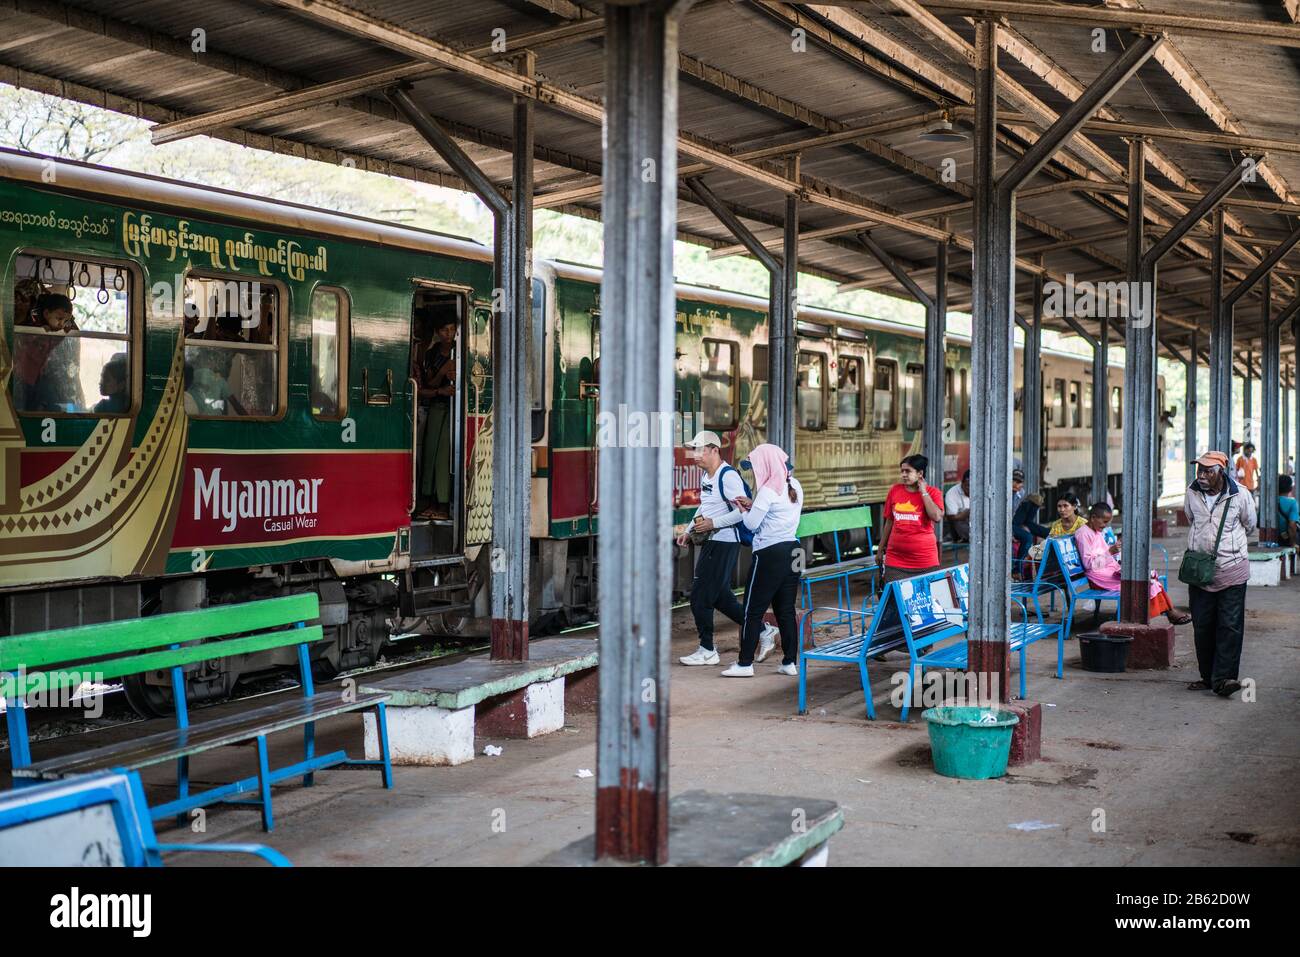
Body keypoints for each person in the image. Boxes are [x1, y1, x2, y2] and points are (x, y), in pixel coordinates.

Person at [677, 431, 777, 666]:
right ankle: (764, 630)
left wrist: (713, 523)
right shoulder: (707, 476)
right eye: (693, 449)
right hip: (714, 540)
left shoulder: (728, 476)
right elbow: (706, 505)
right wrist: (689, 530)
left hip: (725, 541)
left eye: (699, 449)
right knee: (722, 598)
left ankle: (707, 649)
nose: (694, 455)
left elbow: (743, 510)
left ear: (714, 450)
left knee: (700, 596)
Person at [720, 443, 803, 678]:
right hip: (794, 551)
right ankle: (789, 662)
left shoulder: (767, 490)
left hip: (770, 554)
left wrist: (744, 509)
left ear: (765, 465)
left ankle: (745, 664)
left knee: (751, 611)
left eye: (755, 466)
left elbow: (751, 525)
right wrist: (754, 505)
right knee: (785, 610)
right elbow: (779, 513)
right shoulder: (795, 485)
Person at [1184, 451, 1257, 697]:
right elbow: (1191, 519)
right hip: (1200, 572)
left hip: (1232, 570)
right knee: (1203, 625)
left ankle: (1224, 679)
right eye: (1200, 470)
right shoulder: (1192, 493)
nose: (1202, 476)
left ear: (1221, 472)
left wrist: (1228, 546)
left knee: (1230, 626)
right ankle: (1208, 677)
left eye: (1208, 471)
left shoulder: (1240, 495)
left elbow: (1250, 524)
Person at [1073, 502, 1191, 626]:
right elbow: (1088, 564)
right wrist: (1110, 552)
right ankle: (1160, 614)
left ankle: (1169, 611)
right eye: (1104, 521)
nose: (1106, 525)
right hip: (1098, 577)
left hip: (1107, 570)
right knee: (1143, 583)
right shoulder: (1083, 534)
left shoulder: (1096, 531)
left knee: (1148, 579)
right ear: (1093, 518)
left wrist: (1114, 551)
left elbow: (1101, 552)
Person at [417, 310, 458, 519]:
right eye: (444, 330)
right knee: (430, 453)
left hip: (454, 409)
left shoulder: (461, 351)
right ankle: (429, 501)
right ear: (437, 332)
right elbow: (429, 383)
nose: (448, 334)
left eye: (452, 329)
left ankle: (443, 504)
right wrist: (444, 372)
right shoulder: (432, 353)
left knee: (444, 455)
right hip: (437, 405)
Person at [878, 454, 944, 584]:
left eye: (908, 471)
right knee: (895, 599)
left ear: (920, 473)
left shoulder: (933, 493)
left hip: (925, 559)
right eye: (902, 471)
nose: (903, 475)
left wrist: (923, 492)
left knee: (926, 598)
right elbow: (889, 521)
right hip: (896, 559)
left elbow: (936, 516)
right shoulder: (894, 491)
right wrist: (880, 549)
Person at [12, 292, 79, 412]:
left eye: (66, 320)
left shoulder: (60, 332)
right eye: (59, 319)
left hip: (43, 378)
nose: (61, 323)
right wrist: (42, 332)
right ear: (46, 313)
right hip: (24, 378)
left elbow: (74, 335)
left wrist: (69, 326)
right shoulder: (32, 327)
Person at [1012, 491, 1050, 572]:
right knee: (1028, 537)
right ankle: (1017, 569)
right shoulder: (1016, 496)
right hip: (1012, 524)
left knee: (1048, 532)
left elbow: (1028, 521)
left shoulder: (1020, 494)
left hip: (1020, 523)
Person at [944, 469, 971, 542]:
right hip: (961, 528)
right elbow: (952, 517)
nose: (970, 488)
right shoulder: (952, 493)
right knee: (958, 520)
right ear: (962, 483)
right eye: (967, 485)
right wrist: (968, 512)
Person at [1235, 442, 1259, 509]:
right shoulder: (1240, 459)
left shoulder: (1254, 460)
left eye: (1251, 451)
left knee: (1251, 500)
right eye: (1248, 451)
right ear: (1245, 450)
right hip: (1241, 483)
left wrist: (1258, 481)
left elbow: (1256, 471)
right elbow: (1236, 470)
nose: (1249, 453)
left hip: (1251, 484)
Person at [1278, 475, 1300, 547]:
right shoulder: (1292, 503)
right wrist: (1293, 544)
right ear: (1290, 488)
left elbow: (1259, 523)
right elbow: (1292, 525)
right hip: (1286, 540)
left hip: (1270, 540)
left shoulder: (1268, 502)